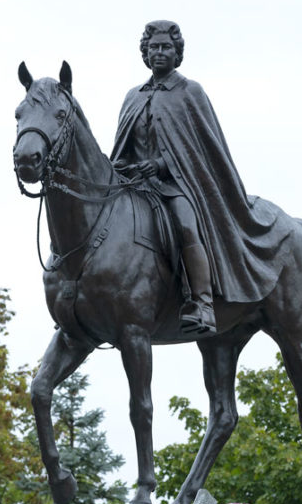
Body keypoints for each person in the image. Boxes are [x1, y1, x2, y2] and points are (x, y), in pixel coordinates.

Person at [111, 20, 292, 336]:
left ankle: (203, 303)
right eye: (154, 47)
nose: (160, 53)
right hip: (135, 188)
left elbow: (202, 151)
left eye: (167, 47)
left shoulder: (189, 92)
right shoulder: (133, 97)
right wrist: (121, 168)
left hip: (177, 185)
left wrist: (161, 165)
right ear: (145, 52)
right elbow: (122, 148)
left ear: (177, 52)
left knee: (185, 223)